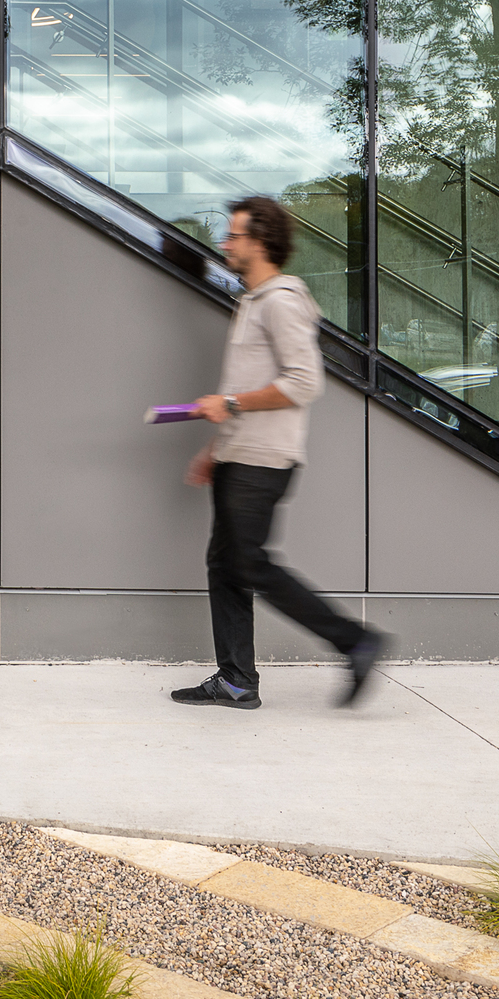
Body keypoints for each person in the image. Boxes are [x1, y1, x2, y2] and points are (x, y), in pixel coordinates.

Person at [171, 196, 390, 710]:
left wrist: (227, 405)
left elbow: (304, 382)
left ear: (261, 241)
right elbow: (248, 385)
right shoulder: (252, 301)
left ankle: (354, 641)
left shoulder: (282, 301)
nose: (225, 243)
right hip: (240, 455)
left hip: (264, 461)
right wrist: (216, 449)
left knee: (248, 564)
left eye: (234, 235)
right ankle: (236, 680)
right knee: (226, 565)